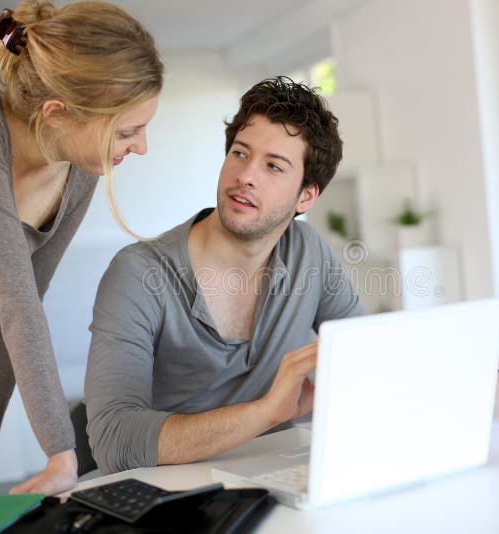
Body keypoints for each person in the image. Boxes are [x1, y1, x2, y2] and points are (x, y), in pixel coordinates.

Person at [0, 0, 163, 498]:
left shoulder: (78, 173)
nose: (142, 146)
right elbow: (12, 297)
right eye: (127, 131)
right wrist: (62, 452)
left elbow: (15, 311)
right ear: (57, 113)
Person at [84, 77, 366, 474]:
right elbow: (114, 441)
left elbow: (367, 356)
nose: (246, 175)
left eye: (273, 166)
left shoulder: (308, 251)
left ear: (305, 196)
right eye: (239, 153)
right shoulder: (139, 273)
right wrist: (268, 412)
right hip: (171, 495)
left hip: (271, 482)